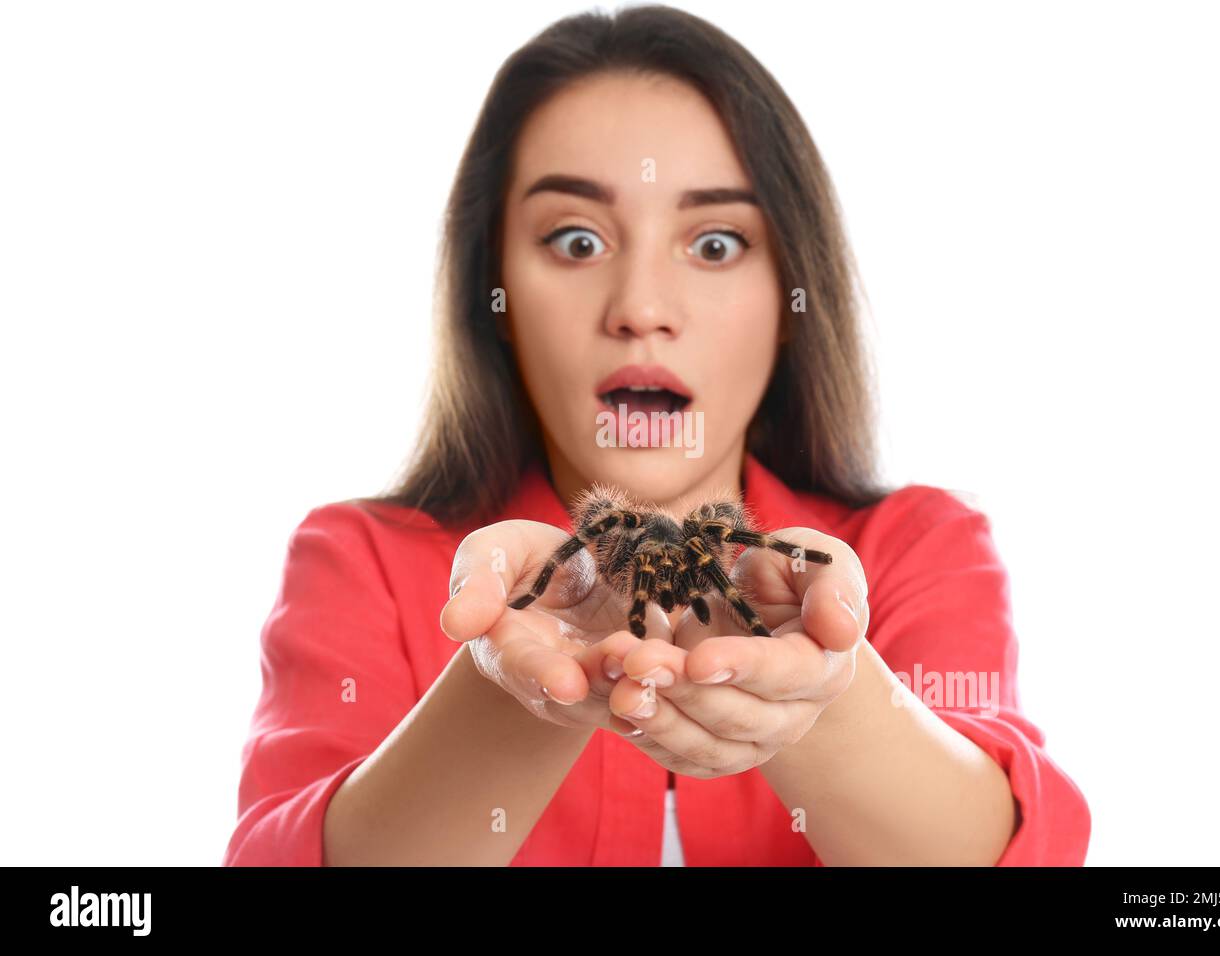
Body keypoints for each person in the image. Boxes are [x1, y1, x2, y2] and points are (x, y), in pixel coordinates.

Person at [222, 5, 1090, 867]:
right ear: (498, 299)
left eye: (714, 243)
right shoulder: (359, 562)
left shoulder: (919, 548)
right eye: (575, 239)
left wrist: (828, 682)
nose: (640, 308)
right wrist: (511, 675)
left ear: (792, 296)